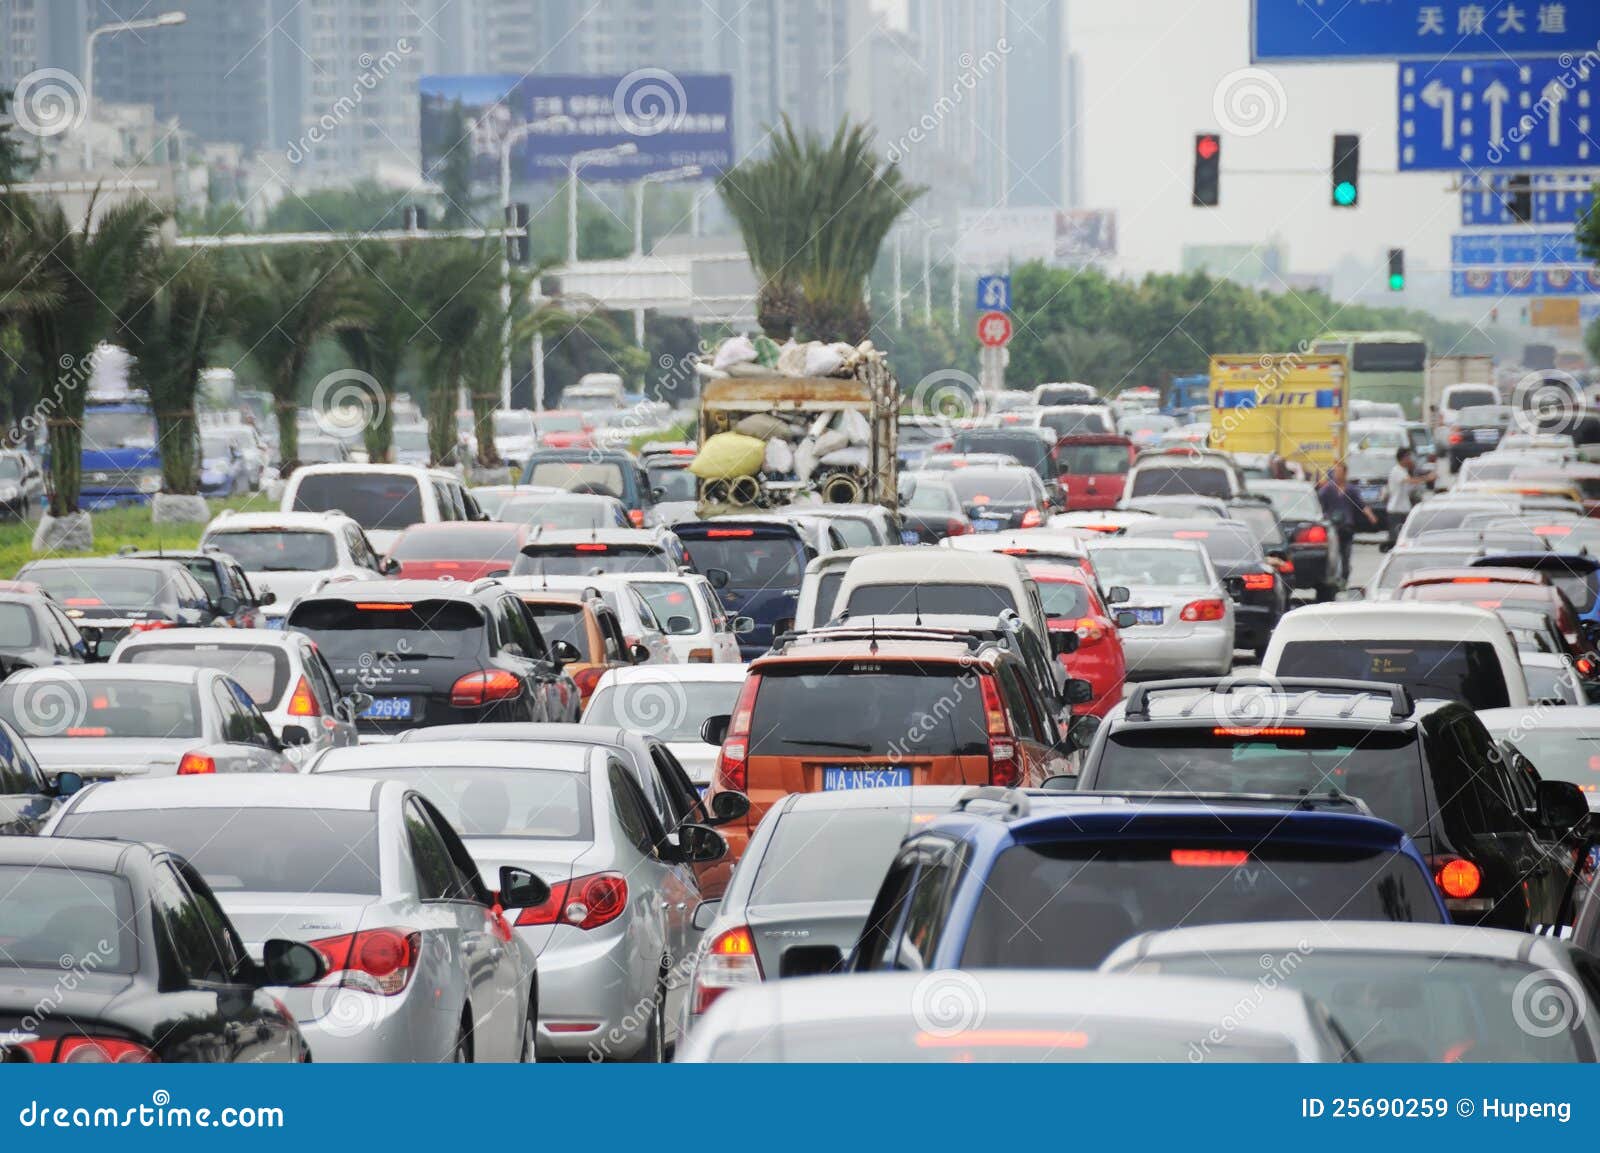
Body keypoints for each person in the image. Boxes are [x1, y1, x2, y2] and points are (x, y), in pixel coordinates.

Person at [1318, 463, 1377, 583]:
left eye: (1339, 472)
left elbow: (1361, 504)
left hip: (1346, 527)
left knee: (1346, 554)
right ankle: (1333, 577)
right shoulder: (1327, 489)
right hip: (1332, 527)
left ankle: (1345, 577)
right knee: (1333, 554)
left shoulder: (1351, 490)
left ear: (1345, 473)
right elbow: (1320, 506)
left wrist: (1370, 515)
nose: (1337, 475)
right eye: (1335, 472)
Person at [1384, 447, 1436, 550]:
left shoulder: (1404, 471)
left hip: (1404, 510)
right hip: (1396, 511)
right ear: (1403, 458)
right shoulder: (1397, 470)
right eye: (1409, 457)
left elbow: (1411, 487)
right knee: (1396, 541)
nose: (1410, 460)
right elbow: (1410, 481)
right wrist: (1427, 478)